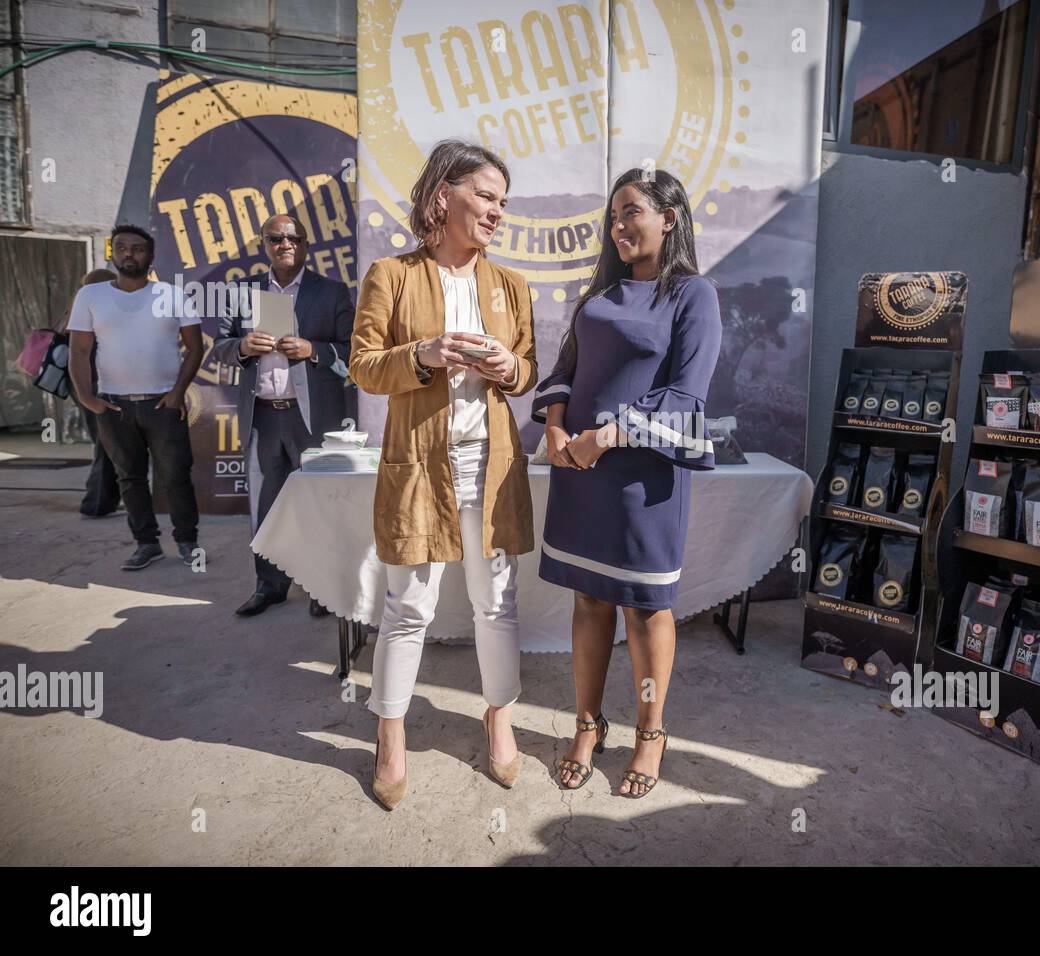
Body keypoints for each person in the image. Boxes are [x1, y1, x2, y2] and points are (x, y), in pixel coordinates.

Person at [350, 140, 538, 808]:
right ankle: (390, 735)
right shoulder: (392, 275)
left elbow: (527, 372)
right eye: (485, 195)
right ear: (443, 195)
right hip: (420, 467)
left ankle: (499, 718)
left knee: (496, 602)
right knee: (409, 607)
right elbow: (366, 365)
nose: (496, 211)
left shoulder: (510, 285)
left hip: (490, 466)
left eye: (502, 202)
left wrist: (506, 369)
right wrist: (423, 353)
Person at [533, 168, 721, 798]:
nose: (618, 226)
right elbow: (564, 369)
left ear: (670, 217)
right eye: (612, 217)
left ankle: (650, 733)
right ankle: (587, 725)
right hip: (579, 475)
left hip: (643, 481)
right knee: (589, 601)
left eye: (631, 212)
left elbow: (686, 395)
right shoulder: (597, 298)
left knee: (645, 609)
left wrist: (604, 437)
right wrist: (558, 429)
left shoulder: (694, 296)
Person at [210, 214, 356, 617]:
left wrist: (314, 351)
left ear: (306, 245)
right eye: (275, 238)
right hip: (263, 417)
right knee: (268, 507)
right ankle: (269, 585)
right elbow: (218, 347)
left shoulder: (331, 292)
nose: (284, 243)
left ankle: (321, 589)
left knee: (319, 505)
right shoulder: (243, 292)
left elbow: (355, 355)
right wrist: (242, 346)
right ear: (264, 245)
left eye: (293, 237)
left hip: (312, 419)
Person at [67, 224, 204, 571]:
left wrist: (177, 394)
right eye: (122, 247)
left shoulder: (172, 295)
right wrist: (87, 397)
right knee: (129, 478)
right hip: (113, 405)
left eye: (138, 248)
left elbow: (194, 348)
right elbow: (79, 352)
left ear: (151, 256)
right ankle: (147, 543)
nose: (130, 253)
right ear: (112, 253)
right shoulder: (91, 296)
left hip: (163, 405)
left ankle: (188, 542)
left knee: (175, 476)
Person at [58, 268, 121, 517]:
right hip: (97, 385)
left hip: (85, 385)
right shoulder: (93, 310)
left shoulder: (76, 308)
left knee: (104, 444)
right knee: (107, 445)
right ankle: (96, 503)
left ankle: (101, 500)